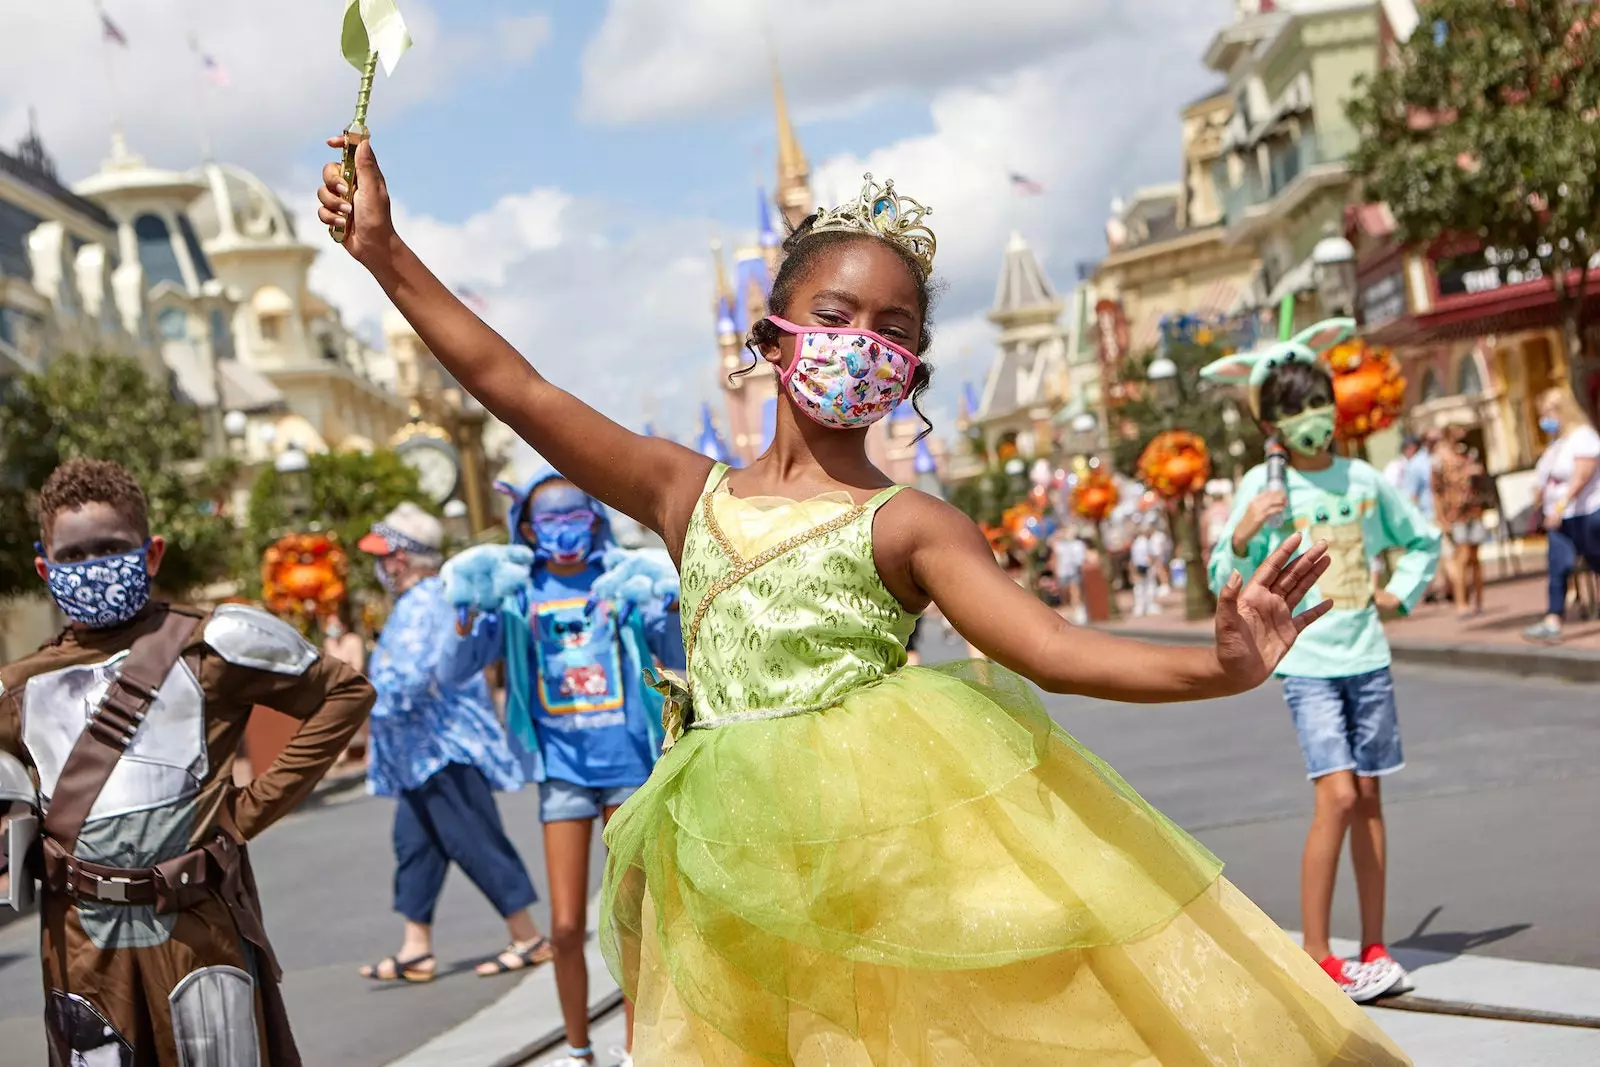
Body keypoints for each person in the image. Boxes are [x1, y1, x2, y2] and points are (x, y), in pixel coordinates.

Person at [319, 145, 1408, 1064]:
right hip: (720, 853)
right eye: (833, 312)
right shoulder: (680, 489)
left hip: (879, 854)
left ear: (907, 371)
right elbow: (517, 387)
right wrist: (385, 254)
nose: (858, 341)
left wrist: (1221, 665)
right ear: (771, 334)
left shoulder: (911, 524)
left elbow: (1056, 646)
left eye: (889, 328)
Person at [0, 458, 374, 1066]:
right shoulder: (17, 689)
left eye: (111, 548)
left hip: (196, 926)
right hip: (83, 941)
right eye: (74, 556)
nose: (93, 566)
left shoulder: (212, 644)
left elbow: (343, 694)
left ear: (150, 554)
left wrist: (247, 813)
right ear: (46, 569)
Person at [1204, 334, 1439, 1006]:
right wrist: (1245, 530)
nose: (1317, 417)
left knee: (1367, 798)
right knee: (1334, 795)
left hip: (1369, 657)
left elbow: (1420, 536)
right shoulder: (1264, 486)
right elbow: (1229, 576)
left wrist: (1404, 590)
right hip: (1306, 662)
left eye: (1322, 402)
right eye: (1299, 409)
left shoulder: (1364, 480)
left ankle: (1372, 946)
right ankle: (1315, 951)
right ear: (1272, 427)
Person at [439, 472, 684, 1067]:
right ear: (526, 527)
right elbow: (455, 669)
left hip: (629, 766)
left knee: (631, 918)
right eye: (550, 521)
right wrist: (469, 616)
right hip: (563, 774)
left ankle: (636, 1050)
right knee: (568, 926)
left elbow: (674, 653)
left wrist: (665, 606)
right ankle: (578, 1051)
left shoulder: (620, 581)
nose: (564, 530)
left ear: (594, 519)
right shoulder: (518, 590)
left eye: (576, 516)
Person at [357, 503, 552, 983]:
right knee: (415, 844)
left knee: (475, 841)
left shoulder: (428, 601)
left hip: (444, 749)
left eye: (387, 555)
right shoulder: (414, 602)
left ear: (404, 557)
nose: (382, 565)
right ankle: (416, 949)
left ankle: (529, 937)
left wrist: (355, 704)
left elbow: (413, 678)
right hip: (419, 756)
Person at [1524, 386, 1600, 643]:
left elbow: (1581, 476)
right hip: (1559, 520)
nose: (1544, 420)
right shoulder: (1557, 445)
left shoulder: (1584, 437)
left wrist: (1560, 506)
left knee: (1596, 559)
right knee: (1558, 565)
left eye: (1547, 413)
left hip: (1586, 513)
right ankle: (1553, 619)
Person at [1431, 427, 1487, 618]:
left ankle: (1478, 601)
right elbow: (1436, 491)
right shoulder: (1441, 462)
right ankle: (1462, 602)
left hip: (1473, 512)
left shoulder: (1470, 458)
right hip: (1456, 515)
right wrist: (1441, 517)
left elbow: (1480, 480)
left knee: (1475, 559)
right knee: (1461, 558)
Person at [323, 599, 370, 770]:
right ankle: (341, 755)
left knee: (364, 722)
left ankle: (370, 752)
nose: (332, 628)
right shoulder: (329, 643)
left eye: (335, 624)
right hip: (338, 689)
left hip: (357, 686)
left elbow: (358, 665)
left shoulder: (354, 640)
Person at [1050, 526, 1087, 625]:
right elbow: (1055, 557)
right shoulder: (1059, 545)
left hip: (1074, 571)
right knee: (1065, 593)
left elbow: (1082, 558)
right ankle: (1071, 610)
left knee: (1075, 590)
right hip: (1062, 572)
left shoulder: (1077, 544)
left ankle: (1079, 610)